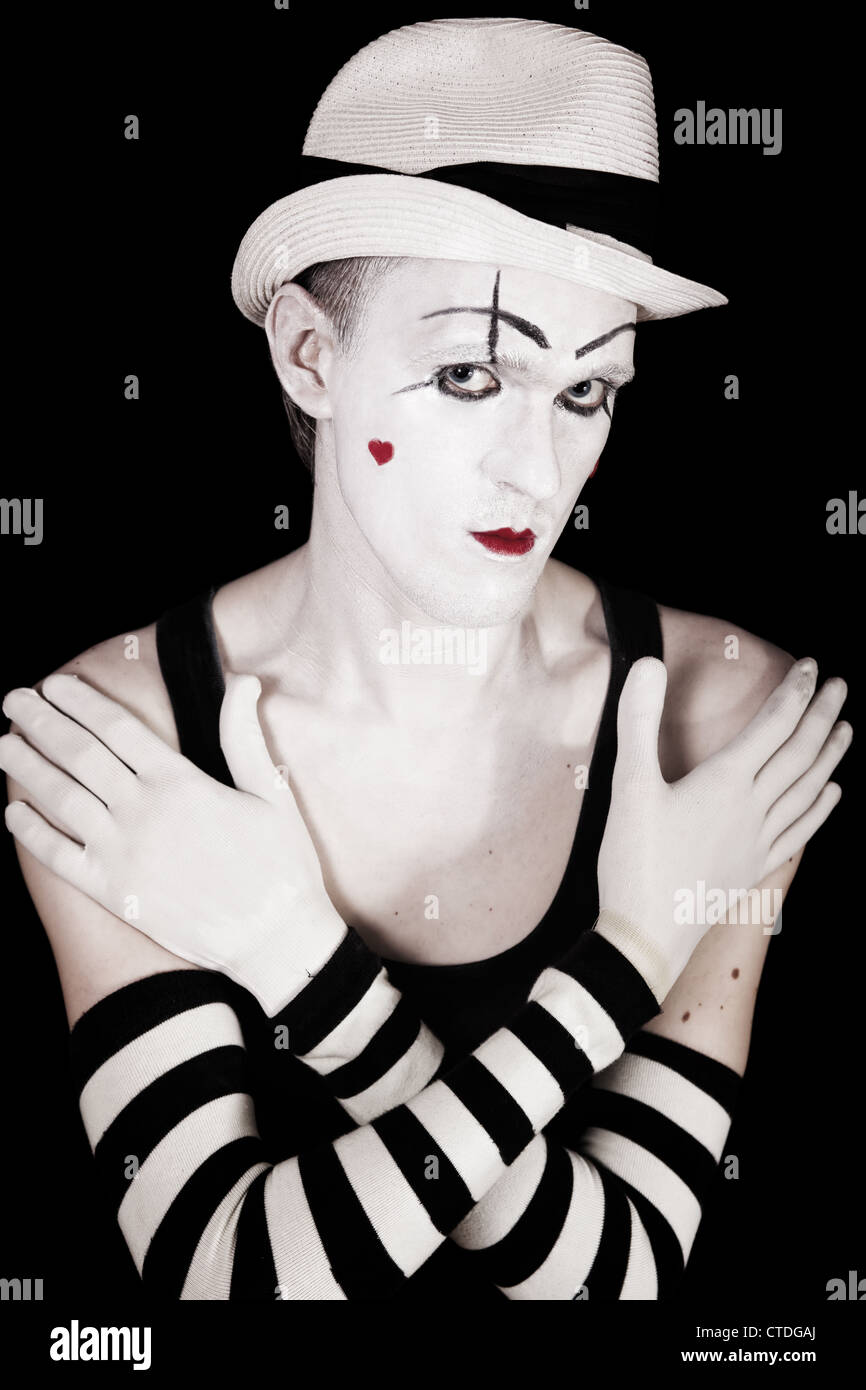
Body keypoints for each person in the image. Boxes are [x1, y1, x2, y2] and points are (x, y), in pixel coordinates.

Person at [0, 17, 851, 1300]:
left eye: (584, 391)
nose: (535, 468)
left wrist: (301, 967)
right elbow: (225, 1280)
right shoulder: (124, 734)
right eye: (467, 375)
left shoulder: (721, 716)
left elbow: (617, 1277)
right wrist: (627, 949)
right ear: (309, 354)